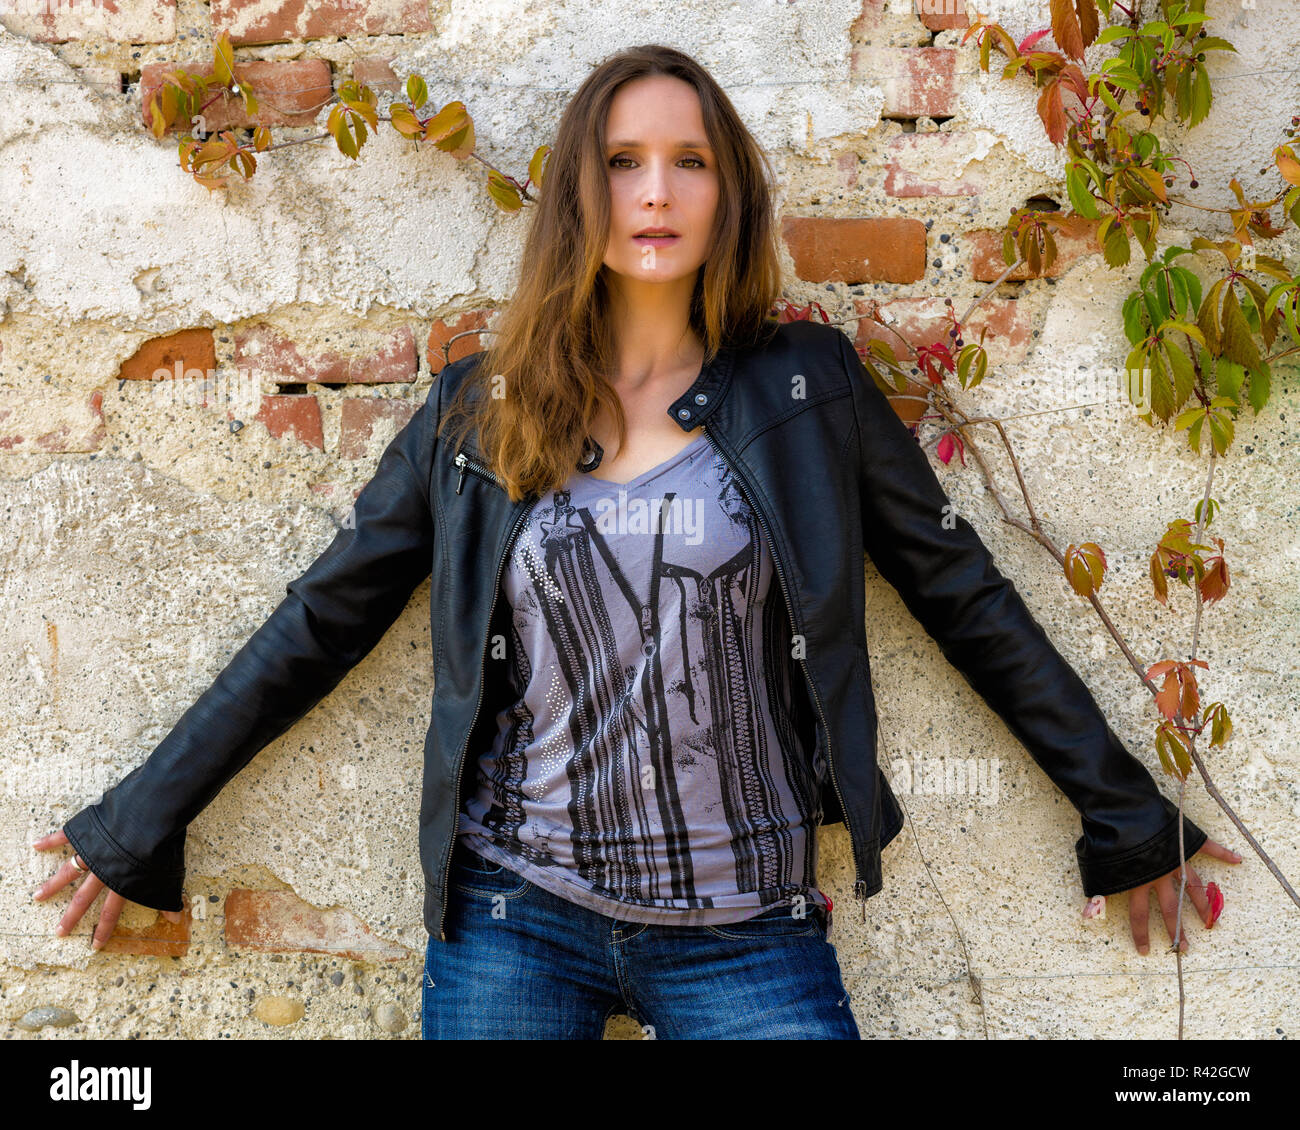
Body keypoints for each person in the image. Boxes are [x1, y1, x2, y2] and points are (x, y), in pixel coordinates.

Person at [33, 44, 1240, 1040]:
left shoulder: (809, 391)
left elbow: (966, 596)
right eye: (621, 163)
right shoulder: (479, 408)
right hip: (516, 915)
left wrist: (1123, 811)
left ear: (727, 193)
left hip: (748, 927)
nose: (654, 192)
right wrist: (142, 820)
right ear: (580, 192)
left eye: (687, 162)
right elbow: (323, 617)